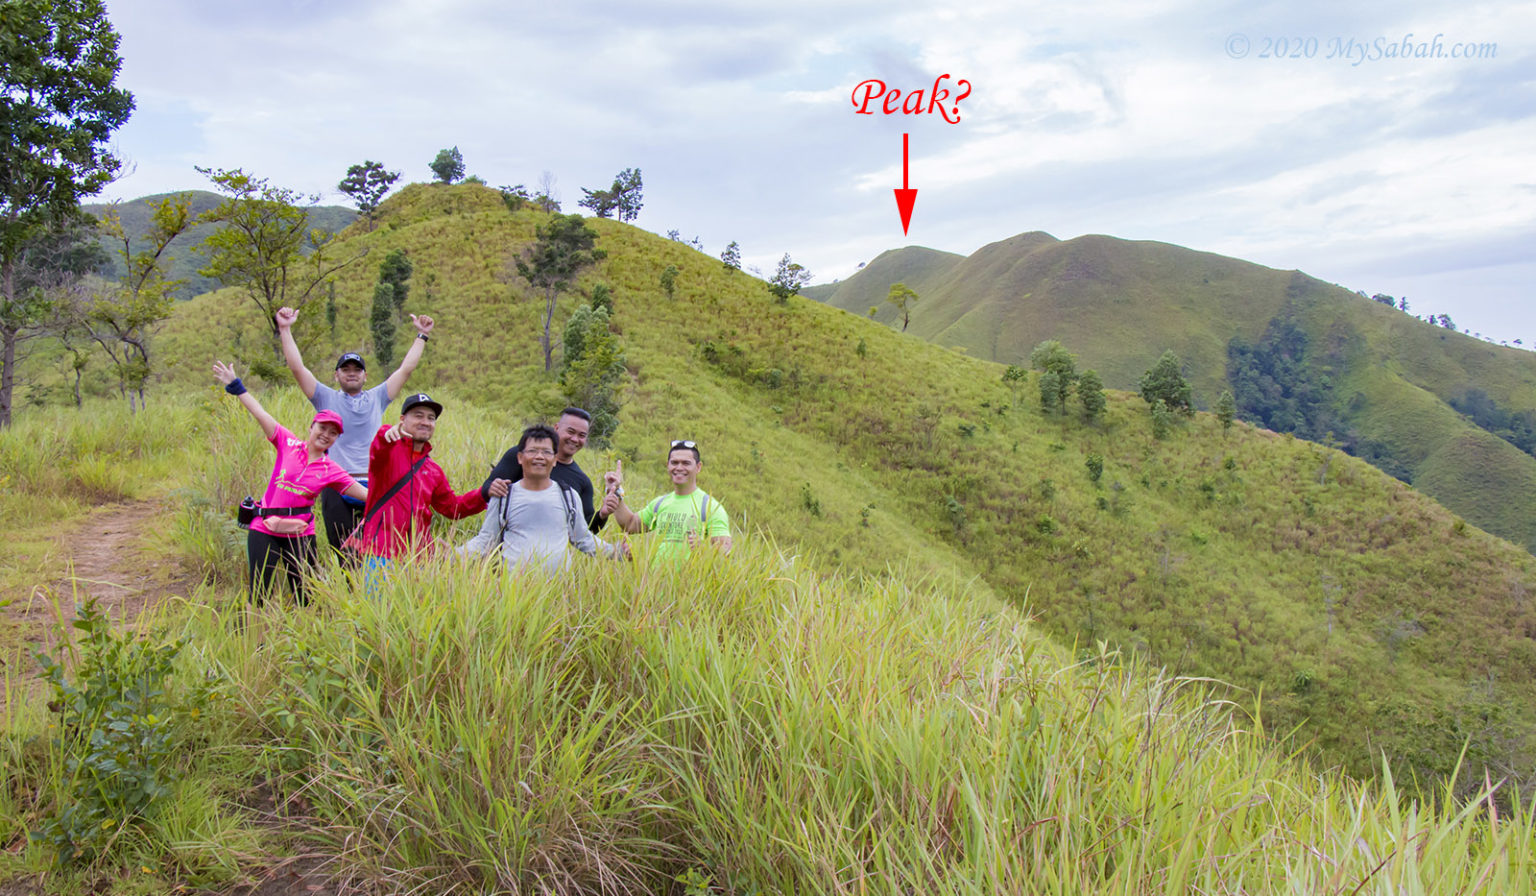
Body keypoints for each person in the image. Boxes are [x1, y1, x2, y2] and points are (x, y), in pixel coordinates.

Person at [275, 305, 435, 561]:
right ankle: (349, 594)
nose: (351, 373)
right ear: (336, 375)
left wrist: (422, 336)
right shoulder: (324, 396)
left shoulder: (378, 397)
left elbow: (405, 370)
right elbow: (297, 369)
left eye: (356, 370)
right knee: (344, 552)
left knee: (382, 548)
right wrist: (285, 329)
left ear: (365, 375)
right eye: (346, 370)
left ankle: (375, 593)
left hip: (376, 483)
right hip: (337, 483)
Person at [212, 360, 367, 604]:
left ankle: (303, 636)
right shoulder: (288, 444)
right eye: (322, 428)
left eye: (333, 432)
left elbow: (367, 495)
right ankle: (255, 639)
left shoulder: (331, 470)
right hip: (264, 526)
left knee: (305, 596)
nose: (326, 434)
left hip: (301, 533)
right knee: (259, 593)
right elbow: (261, 413)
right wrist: (236, 385)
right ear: (311, 427)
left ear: (337, 438)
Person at [347, 392, 508, 583]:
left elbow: (453, 508)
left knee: (415, 610)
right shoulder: (387, 453)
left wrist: (484, 493)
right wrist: (386, 432)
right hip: (381, 553)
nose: (425, 422)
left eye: (431, 418)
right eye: (418, 415)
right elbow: (379, 447)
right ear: (402, 420)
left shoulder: (433, 470)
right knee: (378, 609)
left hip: (420, 558)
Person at [460, 425, 626, 573]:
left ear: (554, 460)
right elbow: (486, 540)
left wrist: (617, 553)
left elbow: (582, 538)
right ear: (519, 457)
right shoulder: (504, 496)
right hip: (510, 590)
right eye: (532, 451)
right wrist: (452, 555)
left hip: (557, 594)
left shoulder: (567, 496)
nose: (539, 456)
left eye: (546, 452)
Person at [481, 407, 612, 534]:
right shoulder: (522, 456)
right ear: (556, 428)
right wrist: (493, 489)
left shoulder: (582, 481)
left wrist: (602, 514)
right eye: (570, 432)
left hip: (549, 551)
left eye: (582, 435)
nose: (575, 439)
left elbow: (585, 529)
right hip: (506, 545)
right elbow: (487, 488)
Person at [606, 440, 732, 563]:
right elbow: (630, 524)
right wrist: (615, 490)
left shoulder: (711, 507)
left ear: (698, 467)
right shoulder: (660, 503)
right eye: (674, 462)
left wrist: (704, 550)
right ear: (668, 465)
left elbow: (725, 553)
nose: (679, 467)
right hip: (657, 582)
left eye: (686, 463)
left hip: (691, 583)